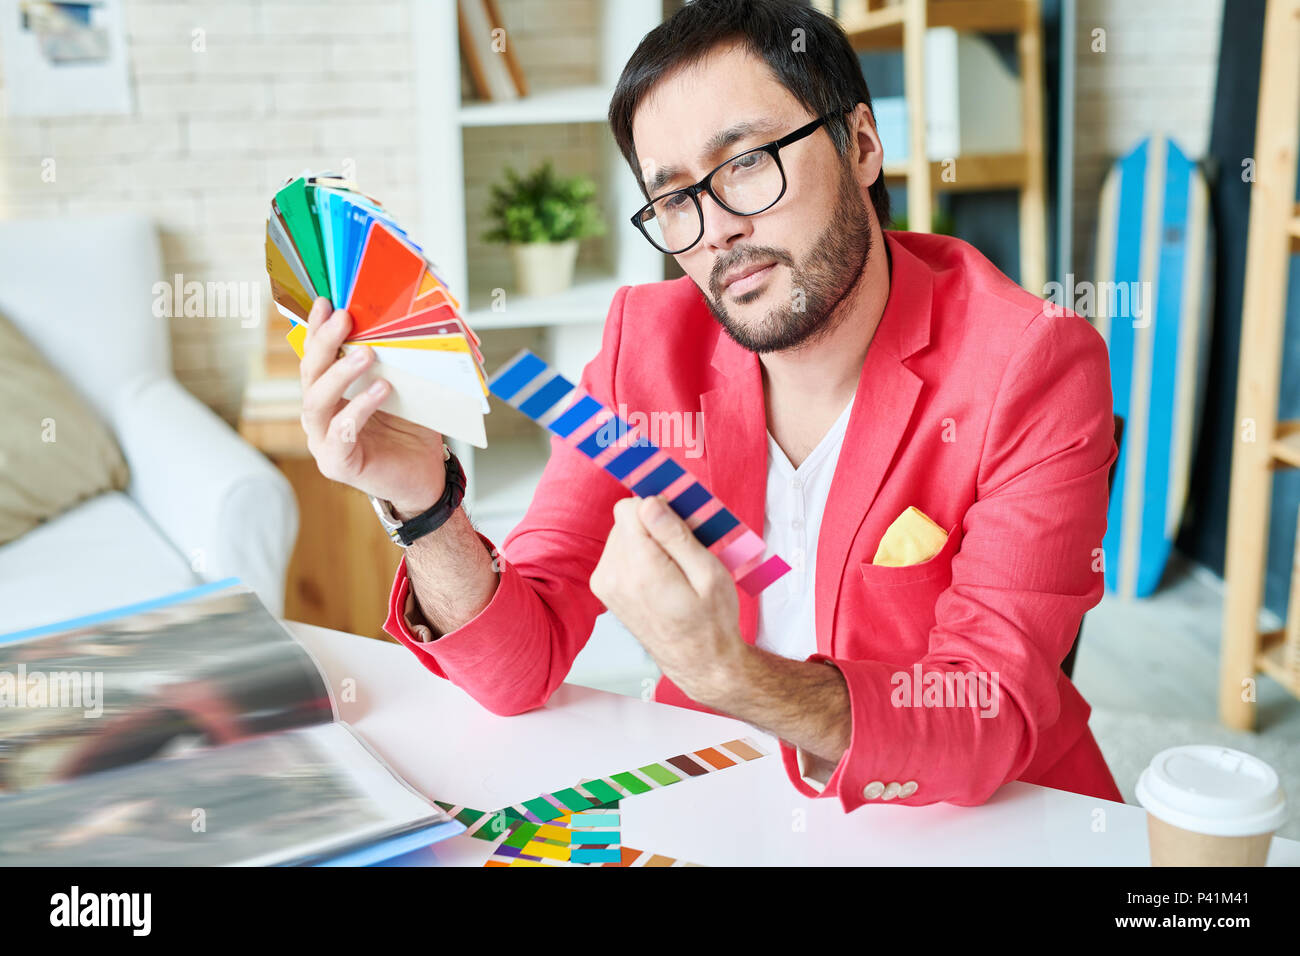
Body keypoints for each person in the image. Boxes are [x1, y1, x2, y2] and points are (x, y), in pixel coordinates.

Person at [297, 0, 1122, 811]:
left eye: (747, 163)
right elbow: (518, 669)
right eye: (675, 199)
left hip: (971, 825)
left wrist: (732, 676)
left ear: (862, 144)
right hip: (724, 805)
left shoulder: (1032, 363)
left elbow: (989, 708)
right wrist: (423, 501)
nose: (716, 229)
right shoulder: (642, 353)